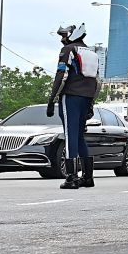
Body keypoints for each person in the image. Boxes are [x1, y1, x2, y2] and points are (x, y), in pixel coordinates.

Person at [46, 23, 101, 189]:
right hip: (87, 97)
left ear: (73, 35)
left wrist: (52, 99)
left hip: (70, 97)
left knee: (70, 135)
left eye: (64, 35)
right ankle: (88, 177)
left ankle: (71, 177)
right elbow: (97, 82)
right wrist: (91, 102)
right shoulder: (92, 53)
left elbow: (61, 75)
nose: (62, 39)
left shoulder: (68, 50)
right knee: (79, 137)